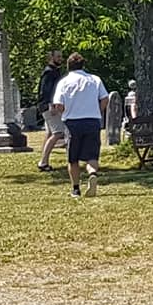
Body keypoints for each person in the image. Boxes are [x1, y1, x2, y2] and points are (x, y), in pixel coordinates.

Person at [51, 52, 108, 198]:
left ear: (68, 66)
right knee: (92, 155)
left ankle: (76, 189)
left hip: (72, 122)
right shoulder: (95, 79)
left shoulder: (64, 82)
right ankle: (92, 173)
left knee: (73, 158)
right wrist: (97, 111)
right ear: (83, 65)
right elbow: (104, 98)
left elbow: (58, 104)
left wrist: (64, 112)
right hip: (92, 120)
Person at [36, 49, 65, 172]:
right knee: (58, 133)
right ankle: (43, 162)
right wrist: (51, 105)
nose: (60, 59)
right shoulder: (49, 72)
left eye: (61, 57)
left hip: (49, 105)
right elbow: (45, 91)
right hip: (48, 106)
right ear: (51, 58)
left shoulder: (55, 71)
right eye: (58, 57)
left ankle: (44, 160)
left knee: (49, 133)